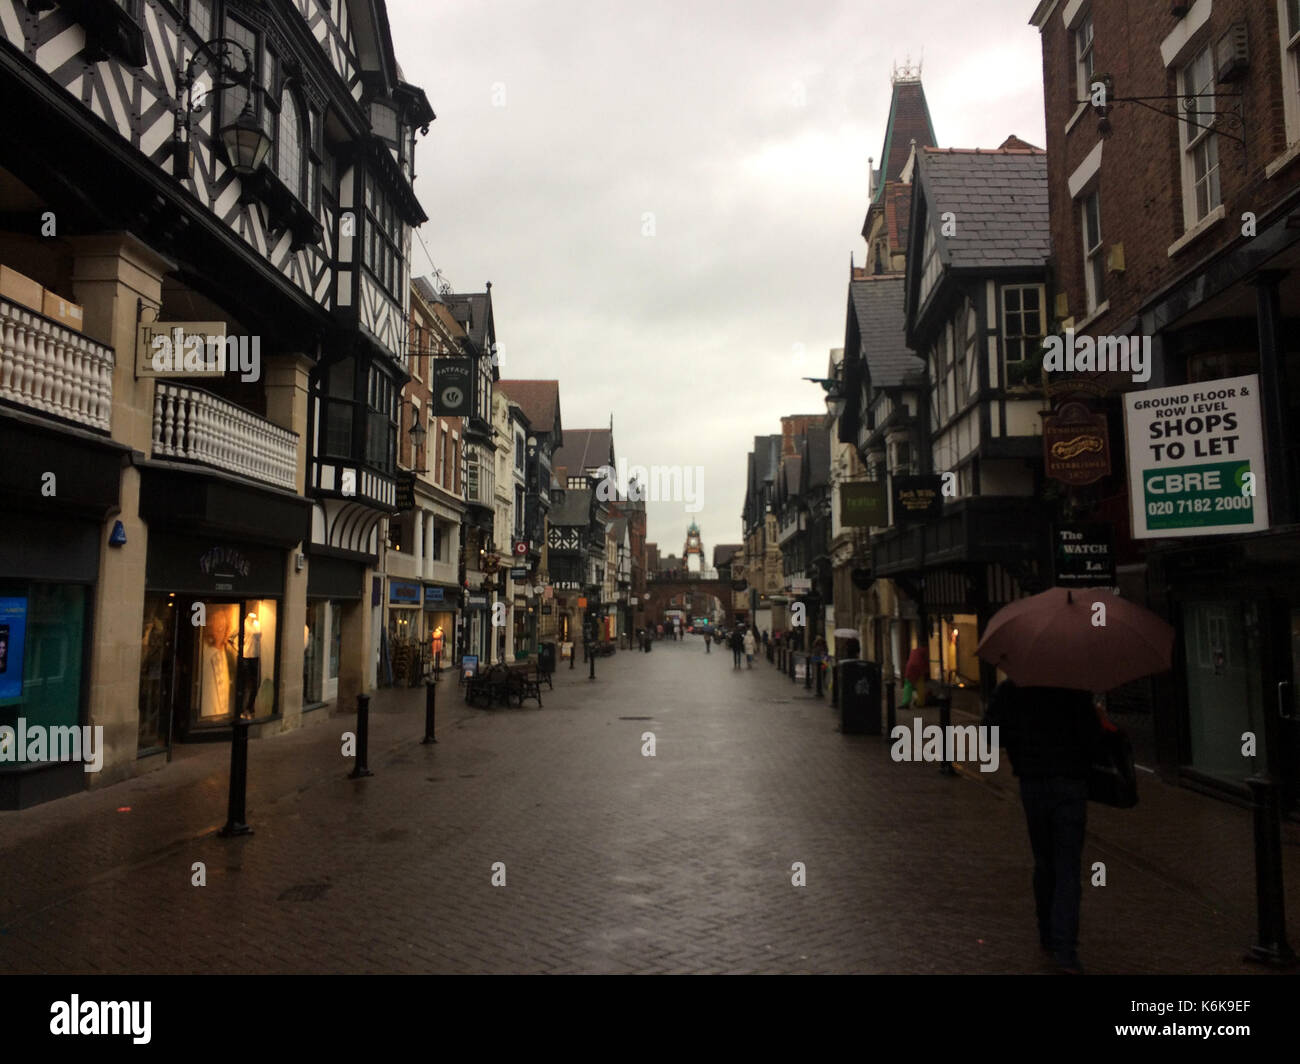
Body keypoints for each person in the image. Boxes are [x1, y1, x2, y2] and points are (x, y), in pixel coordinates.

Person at [983, 680, 1103, 975]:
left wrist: (1018, 740)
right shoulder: (1075, 688)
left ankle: (1047, 933)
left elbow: (989, 731)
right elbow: (1093, 740)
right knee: (1068, 867)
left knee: (1045, 861)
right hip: (1070, 784)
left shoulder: (1014, 687)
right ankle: (1065, 949)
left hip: (1034, 782)